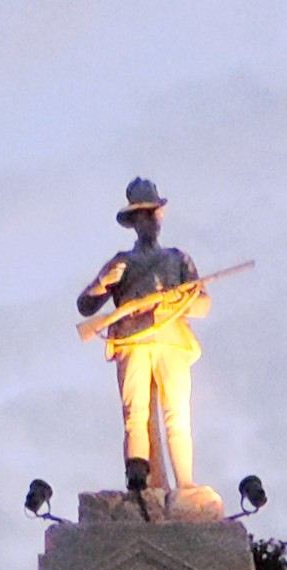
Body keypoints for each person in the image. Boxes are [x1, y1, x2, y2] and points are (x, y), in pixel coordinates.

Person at [77, 177, 202, 496]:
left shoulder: (177, 258)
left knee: (178, 414)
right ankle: (141, 485)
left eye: (152, 213)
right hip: (132, 341)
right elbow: (86, 306)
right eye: (143, 215)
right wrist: (103, 283)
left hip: (171, 337)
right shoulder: (122, 262)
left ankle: (186, 486)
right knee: (136, 415)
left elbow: (204, 304)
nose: (149, 220)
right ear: (134, 221)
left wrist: (178, 300)